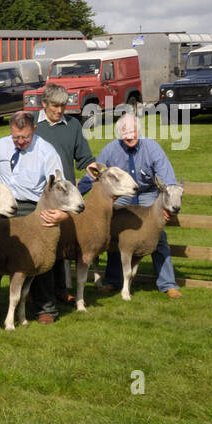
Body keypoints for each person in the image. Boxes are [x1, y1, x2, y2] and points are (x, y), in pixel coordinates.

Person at [0, 111, 69, 325]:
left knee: (39, 258)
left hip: (31, 208)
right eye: (15, 137)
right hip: (2, 207)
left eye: (25, 138)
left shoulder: (47, 151)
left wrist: (62, 213)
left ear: (34, 130)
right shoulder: (1, 145)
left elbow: (59, 186)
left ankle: (45, 308)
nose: (20, 142)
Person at [83, 111, 181, 299]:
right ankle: (113, 281)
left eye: (133, 132)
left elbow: (168, 179)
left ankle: (168, 284)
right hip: (123, 195)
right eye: (125, 134)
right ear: (120, 135)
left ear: (139, 131)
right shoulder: (110, 150)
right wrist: (79, 196)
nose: (130, 137)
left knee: (157, 234)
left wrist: (168, 206)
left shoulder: (152, 148)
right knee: (113, 231)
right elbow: (94, 175)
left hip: (147, 193)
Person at [36, 83, 98, 302]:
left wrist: (99, 172)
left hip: (65, 199)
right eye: (55, 106)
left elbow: (85, 159)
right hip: (39, 196)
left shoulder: (72, 126)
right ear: (44, 104)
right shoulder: (33, 126)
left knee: (61, 245)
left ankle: (61, 291)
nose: (60, 111)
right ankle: (35, 293)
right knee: (40, 244)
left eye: (63, 106)